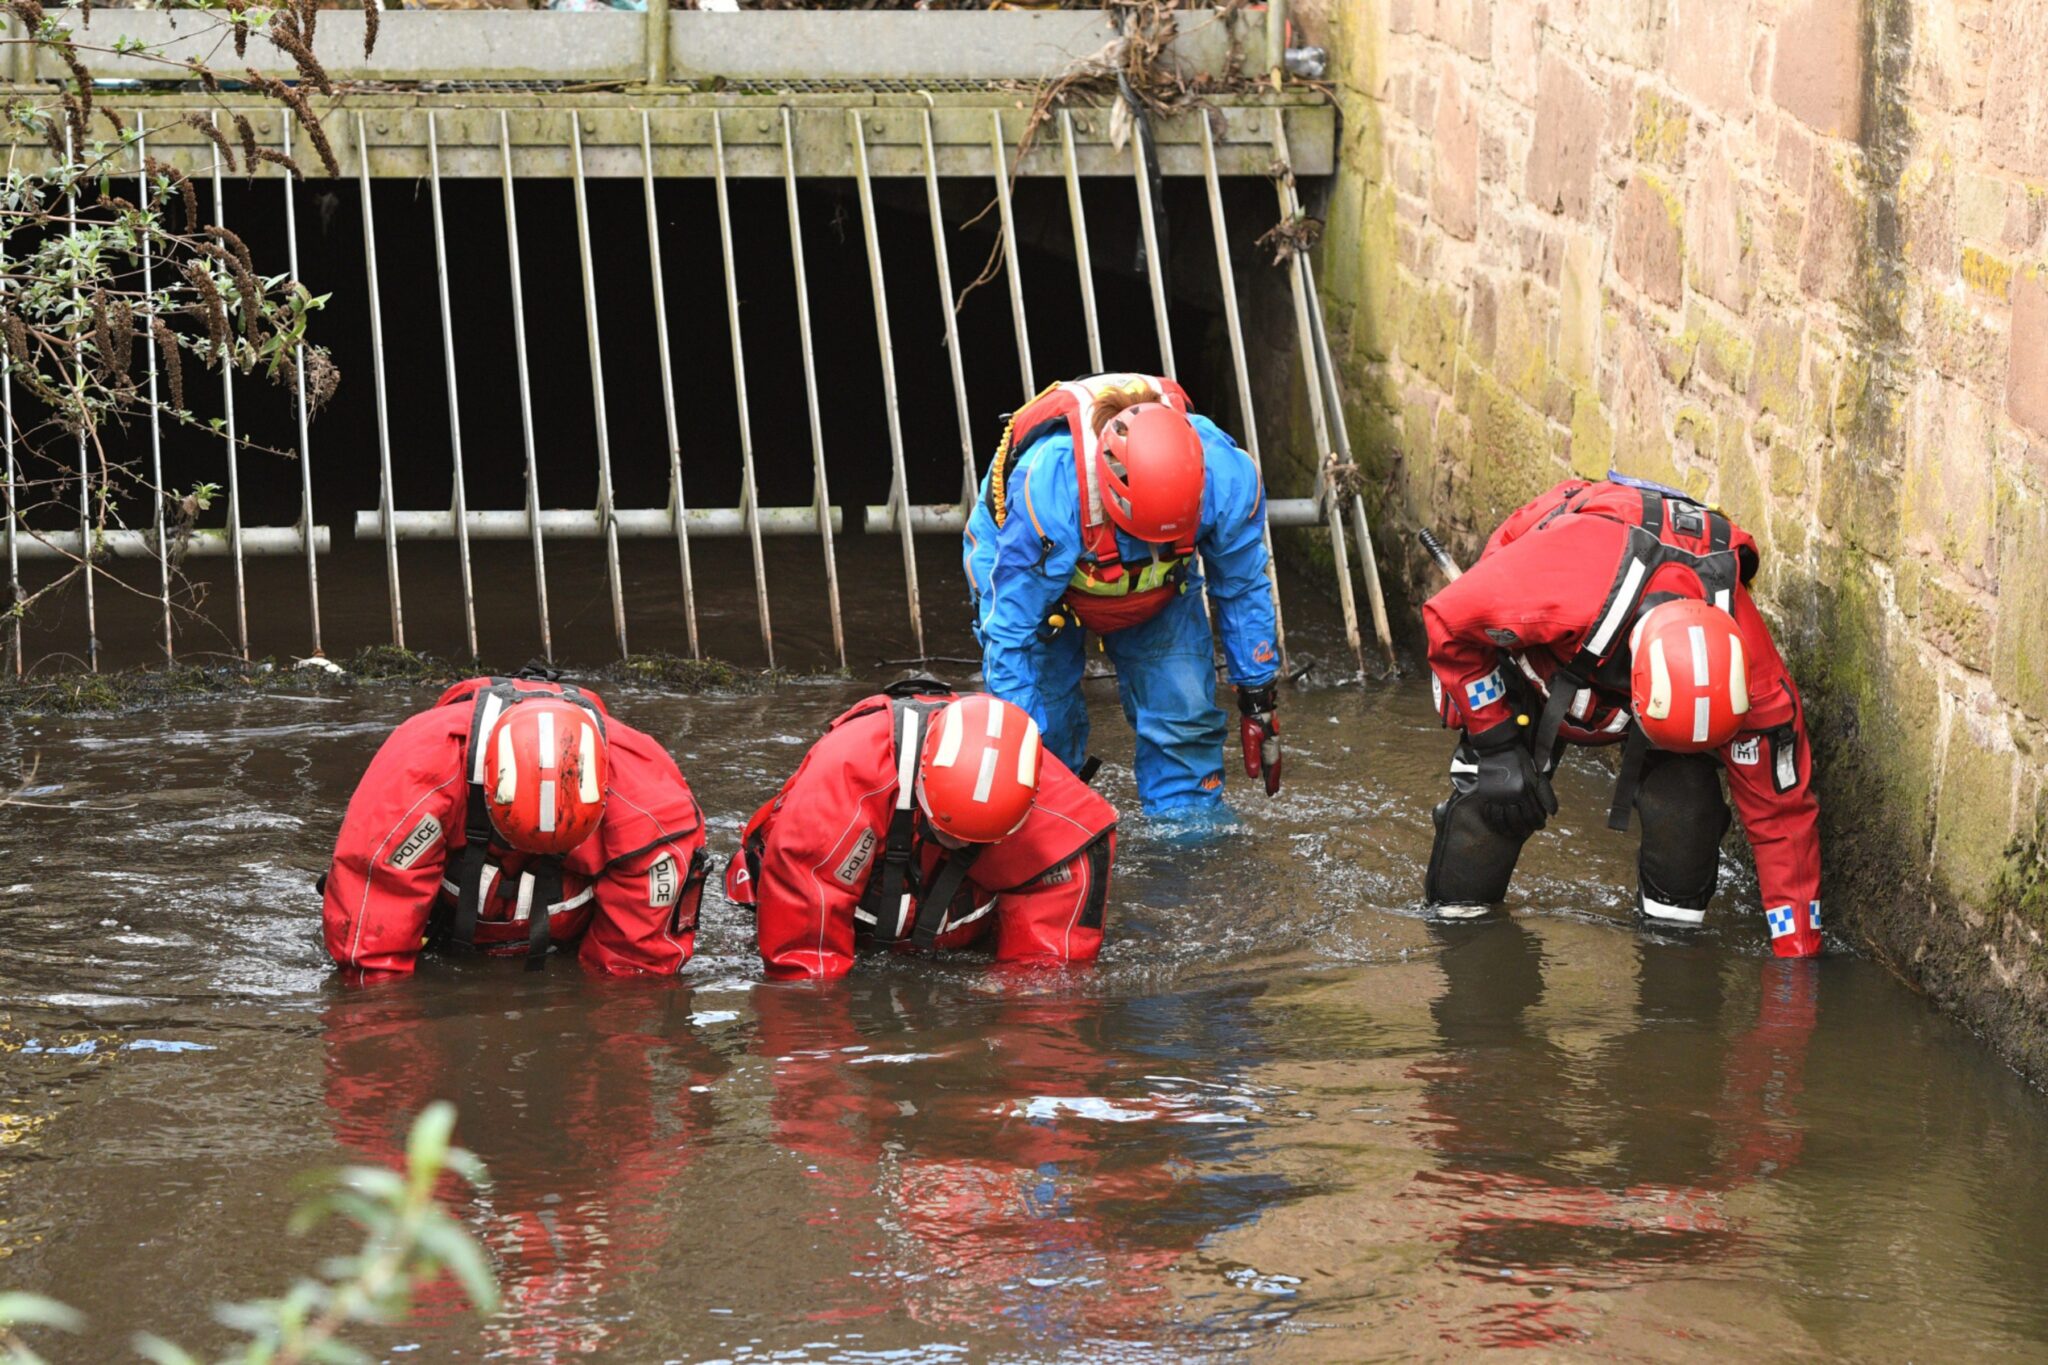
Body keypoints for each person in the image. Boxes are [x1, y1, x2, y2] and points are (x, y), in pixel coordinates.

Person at [1420, 476, 1822, 957]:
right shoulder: (1562, 581)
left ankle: (1671, 953)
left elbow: (1783, 820)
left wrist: (1797, 962)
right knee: (1492, 808)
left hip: (1644, 669)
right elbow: (1448, 622)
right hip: (1542, 650)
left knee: (1687, 808)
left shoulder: (1759, 685)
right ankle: (1457, 939)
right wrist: (1496, 742)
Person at [963, 372, 1282, 818]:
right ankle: (1052, 817)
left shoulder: (1226, 476)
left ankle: (1187, 827)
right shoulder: (1051, 491)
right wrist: (1019, 749)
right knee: (1044, 737)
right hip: (1042, 587)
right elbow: (1010, 634)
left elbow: (1243, 587)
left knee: (1185, 719)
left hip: (1160, 586)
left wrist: (1258, 697)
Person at [321, 673, 708, 981]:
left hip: (575, 920)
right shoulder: (416, 777)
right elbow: (370, 954)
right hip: (444, 910)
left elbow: (638, 969)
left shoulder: (652, 812)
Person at [725, 681, 1116, 979]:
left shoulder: (1061, 817)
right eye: (948, 831)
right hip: (846, 876)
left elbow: (1046, 977)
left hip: (954, 917)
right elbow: (802, 955)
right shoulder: (845, 777)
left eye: (973, 840)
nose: (959, 843)